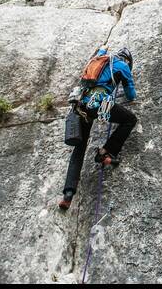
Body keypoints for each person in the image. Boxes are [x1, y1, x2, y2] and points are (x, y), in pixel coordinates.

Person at [59, 47, 138, 211]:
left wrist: (102, 50)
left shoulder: (99, 59)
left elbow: (99, 53)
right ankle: (105, 153)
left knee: (79, 148)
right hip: (100, 104)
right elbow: (130, 94)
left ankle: (68, 194)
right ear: (127, 61)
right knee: (130, 119)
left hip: (81, 105)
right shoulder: (123, 66)